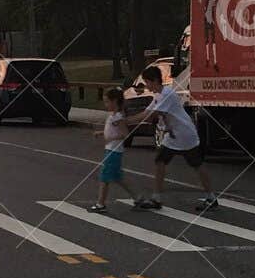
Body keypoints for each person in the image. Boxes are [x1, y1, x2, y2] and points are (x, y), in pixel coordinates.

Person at [130, 64, 218, 212]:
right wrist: (126, 121)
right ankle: (156, 198)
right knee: (160, 161)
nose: (147, 86)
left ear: (155, 81)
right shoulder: (159, 95)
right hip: (173, 136)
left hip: (184, 134)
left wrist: (124, 121)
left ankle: (211, 197)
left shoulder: (167, 94)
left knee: (196, 164)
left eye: (147, 82)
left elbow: (151, 114)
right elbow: (147, 113)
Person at [91, 87, 129, 213]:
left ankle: (100, 204)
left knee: (104, 177)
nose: (105, 104)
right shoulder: (113, 116)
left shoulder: (118, 117)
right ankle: (138, 198)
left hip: (114, 151)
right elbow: (112, 131)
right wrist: (101, 133)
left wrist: (111, 138)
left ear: (115, 101)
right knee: (117, 178)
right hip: (111, 149)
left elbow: (125, 134)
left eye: (107, 102)